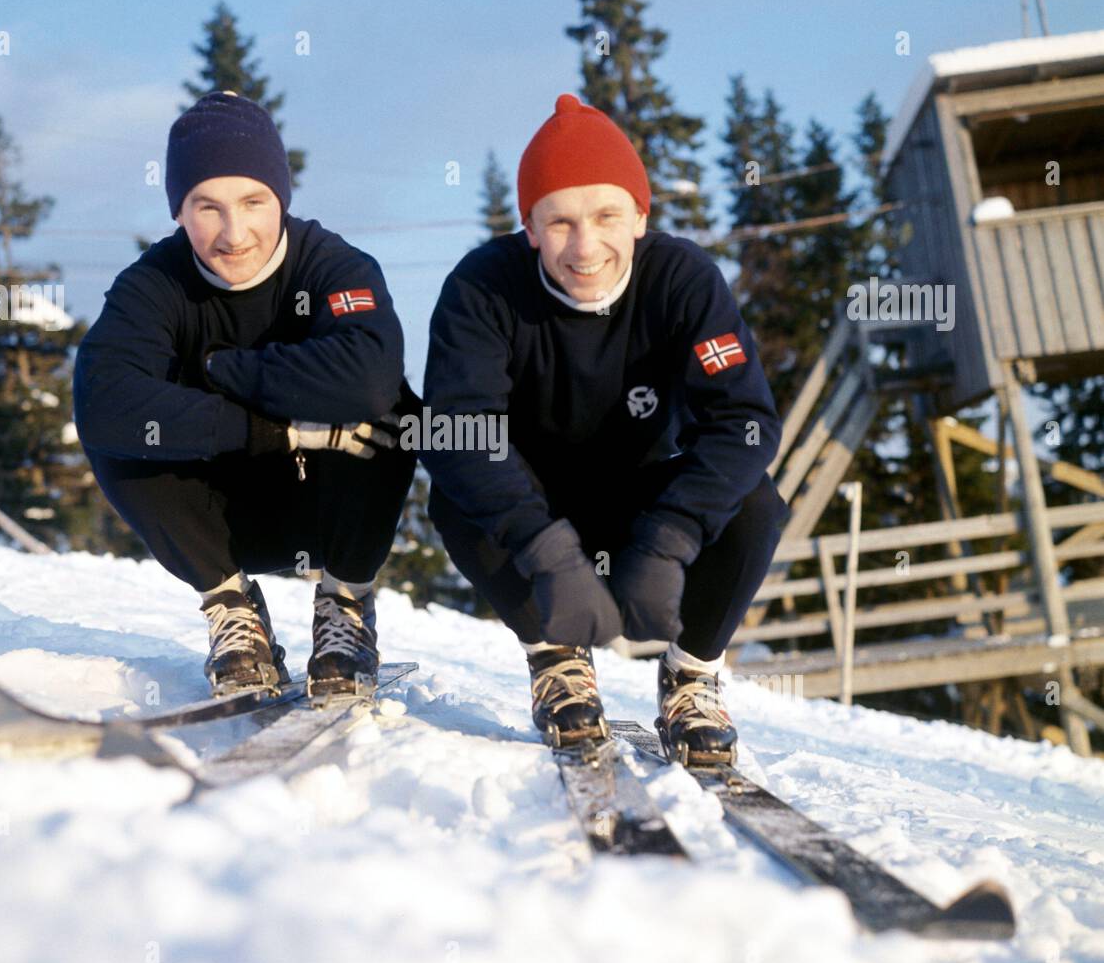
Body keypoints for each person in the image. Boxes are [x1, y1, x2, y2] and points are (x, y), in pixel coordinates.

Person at [421, 93, 788, 762]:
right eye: (559, 221)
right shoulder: (482, 289)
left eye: (606, 215)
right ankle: (557, 660)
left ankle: (691, 675)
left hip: (645, 505)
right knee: (455, 498)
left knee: (757, 503)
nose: (585, 246)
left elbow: (746, 422)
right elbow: (455, 430)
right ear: (529, 227)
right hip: (536, 509)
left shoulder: (684, 281)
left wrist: (673, 537)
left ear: (640, 216)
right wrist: (546, 549)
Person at [73, 91, 415, 700]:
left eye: (254, 202)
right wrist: (278, 426)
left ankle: (345, 607)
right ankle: (233, 609)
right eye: (208, 207)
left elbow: (367, 376)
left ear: (280, 198)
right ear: (179, 211)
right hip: (217, 511)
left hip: (325, 502)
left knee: (391, 411)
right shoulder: (153, 285)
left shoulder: (331, 266)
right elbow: (103, 400)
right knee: (118, 432)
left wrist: (222, 368)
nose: (234, 234)